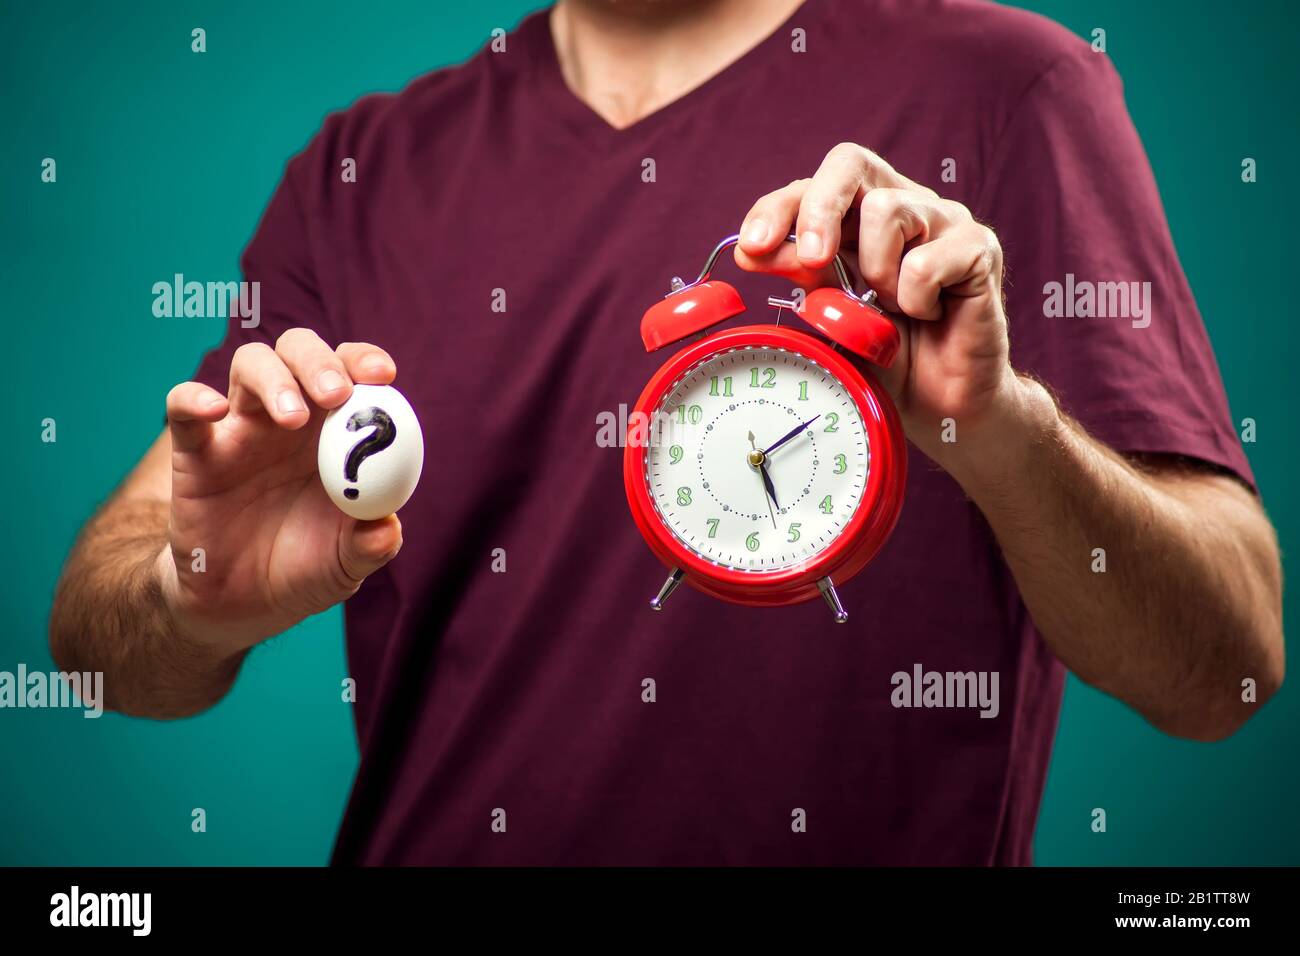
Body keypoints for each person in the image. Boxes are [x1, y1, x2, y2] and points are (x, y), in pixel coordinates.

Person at [49, 0, 1283, 865]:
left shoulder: (1014, 88)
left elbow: (1231, 657)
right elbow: (100, 649)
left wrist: (1008, 436)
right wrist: (195, 597)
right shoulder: (363, 165)